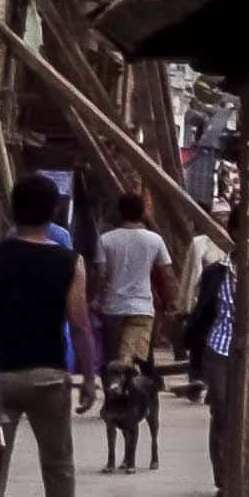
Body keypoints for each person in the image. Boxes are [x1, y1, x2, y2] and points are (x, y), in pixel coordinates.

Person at [0, 178, 89, 497]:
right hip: (48, 378)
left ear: (12, 210)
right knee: (59, 468)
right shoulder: (70, 261)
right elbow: (79, 324)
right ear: (53, 212)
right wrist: (88, 377)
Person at [91, 190, 176, 471]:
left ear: (119, 213)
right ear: (142, 213)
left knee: (115, 362)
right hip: (141, 308)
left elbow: (101, 275)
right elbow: (165, 273)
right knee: (131, 363)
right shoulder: (155, 240)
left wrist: (98, 298)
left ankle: (115, 408)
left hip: (113, 308)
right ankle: (127, 411)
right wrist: (172, 303)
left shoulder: (106, 240)